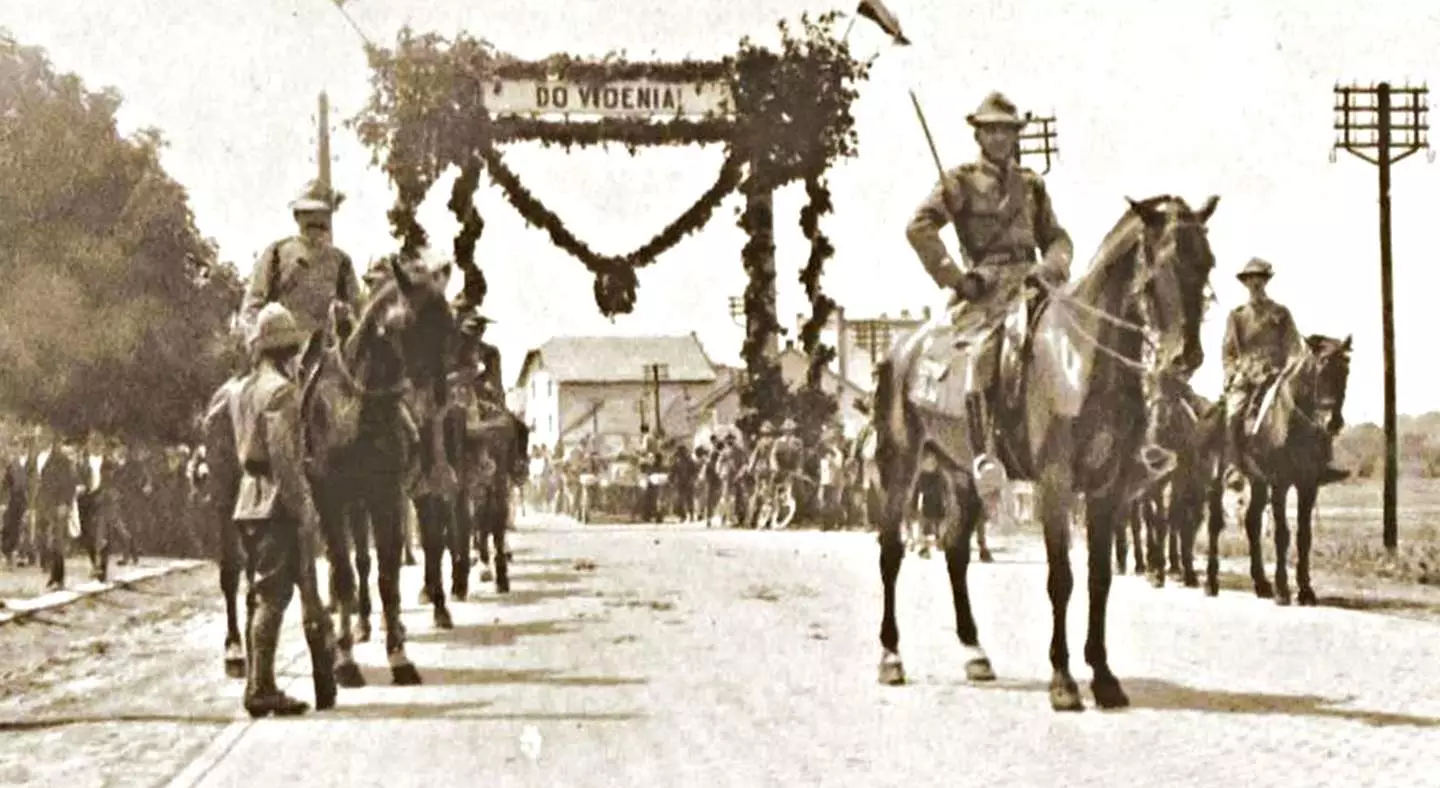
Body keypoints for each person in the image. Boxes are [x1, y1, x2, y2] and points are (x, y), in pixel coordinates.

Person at [905, 91, 1073, 481]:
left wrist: (1050, 268)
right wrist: (957, 278)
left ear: (1016, 136)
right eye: (991, 130)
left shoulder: (1031, 186)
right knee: (983, 354)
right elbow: (919, 227)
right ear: (978, 136)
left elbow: (1058, 237)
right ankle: (983, 456)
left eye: (1007, 130)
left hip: (1034, 283)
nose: (1000, 138)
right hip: (986, 289)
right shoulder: (959, 181)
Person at [231, 302, 338, 717]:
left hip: (249, 499)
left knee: (259, 594)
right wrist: (304, 506)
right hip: (276, 502)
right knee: (274, 597)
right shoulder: (281, 392)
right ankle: (260, 690)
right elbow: (284, 458)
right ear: (288, 348)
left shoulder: (243, 389)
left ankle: (262, 684)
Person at [1221, 258, 1349, 487]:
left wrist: (1287, 368)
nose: (1256, 284)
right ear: (1246, 283)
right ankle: (1234, 466)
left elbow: (1293, 346)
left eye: (1260, 279)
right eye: (1251, 280)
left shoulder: (1280, 313)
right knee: (1233, 411)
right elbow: (1229, 353)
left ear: (1265, 281)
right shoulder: (1237, 316)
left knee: (1312, 406)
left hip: (1277, 373)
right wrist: (1234, 374)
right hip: (1247, 375)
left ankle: (1321, 462)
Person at [239, 180, 362, 365]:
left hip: (326, 358)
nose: (315, 221)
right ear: (297, 216)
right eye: (308, 213)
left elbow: (359, 312)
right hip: (280, 354)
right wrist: (259, 343)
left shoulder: (341, 261)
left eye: (321, 214)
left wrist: (347, 318)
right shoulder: (277, 253)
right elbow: (252, 306)